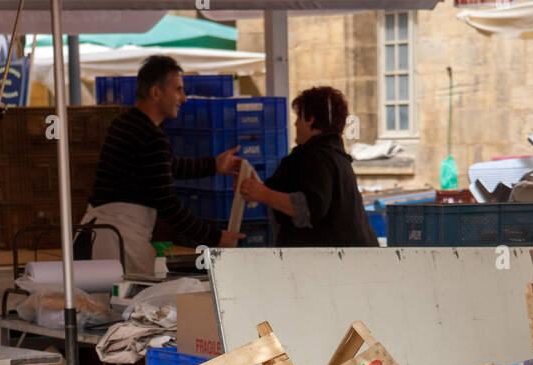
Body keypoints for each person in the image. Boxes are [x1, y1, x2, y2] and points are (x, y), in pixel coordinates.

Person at [81, 54, 241, 276]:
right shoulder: (148, 134)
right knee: (125, 306)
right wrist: (215, 237)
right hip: (119, 235)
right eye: (178, 90)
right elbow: (167, 202)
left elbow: (166, 166)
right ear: (156, 92)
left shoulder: (129, 123)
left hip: (107, 230)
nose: (183, 98)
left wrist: (214, 165)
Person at [238, 86, 378, 248]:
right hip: (352, 257)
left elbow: (309, 208)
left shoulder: (318, 157)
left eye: (298, 117)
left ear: (310, 119)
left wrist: (264, 194)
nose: (295, 123)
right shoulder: (334, 155)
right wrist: (259, 189)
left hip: (334, 263)